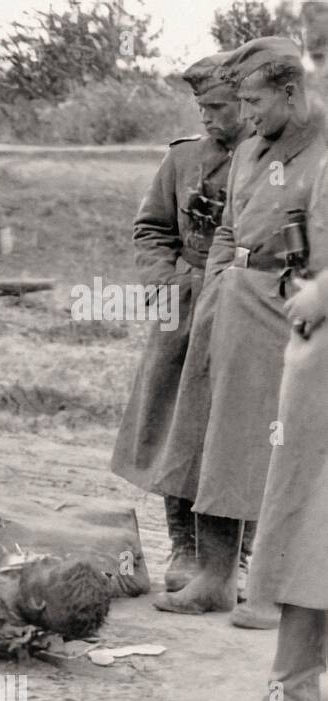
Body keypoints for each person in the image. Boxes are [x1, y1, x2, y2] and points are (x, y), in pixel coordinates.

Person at [152, 37, 327, 629]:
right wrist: (221, 281)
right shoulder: (254, 147)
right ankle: (215, 579)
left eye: (254, 102)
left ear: (290, 90)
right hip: (229, 302)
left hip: (294, 310)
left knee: (286, 451)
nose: (245, 116)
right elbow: (229, 225)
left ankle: (278, 593)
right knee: (212, 441)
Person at [112, 52, 249, 593]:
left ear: (248, 100)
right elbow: (151, 229)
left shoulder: (275, 162)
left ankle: (237, 556)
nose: (207, 118)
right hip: (186, 304)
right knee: (177, 424)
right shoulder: (183, 159)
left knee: (243, 425)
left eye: (217, 106)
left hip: (247, 305)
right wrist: (163, 284)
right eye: (201, 107)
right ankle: (185, 548)